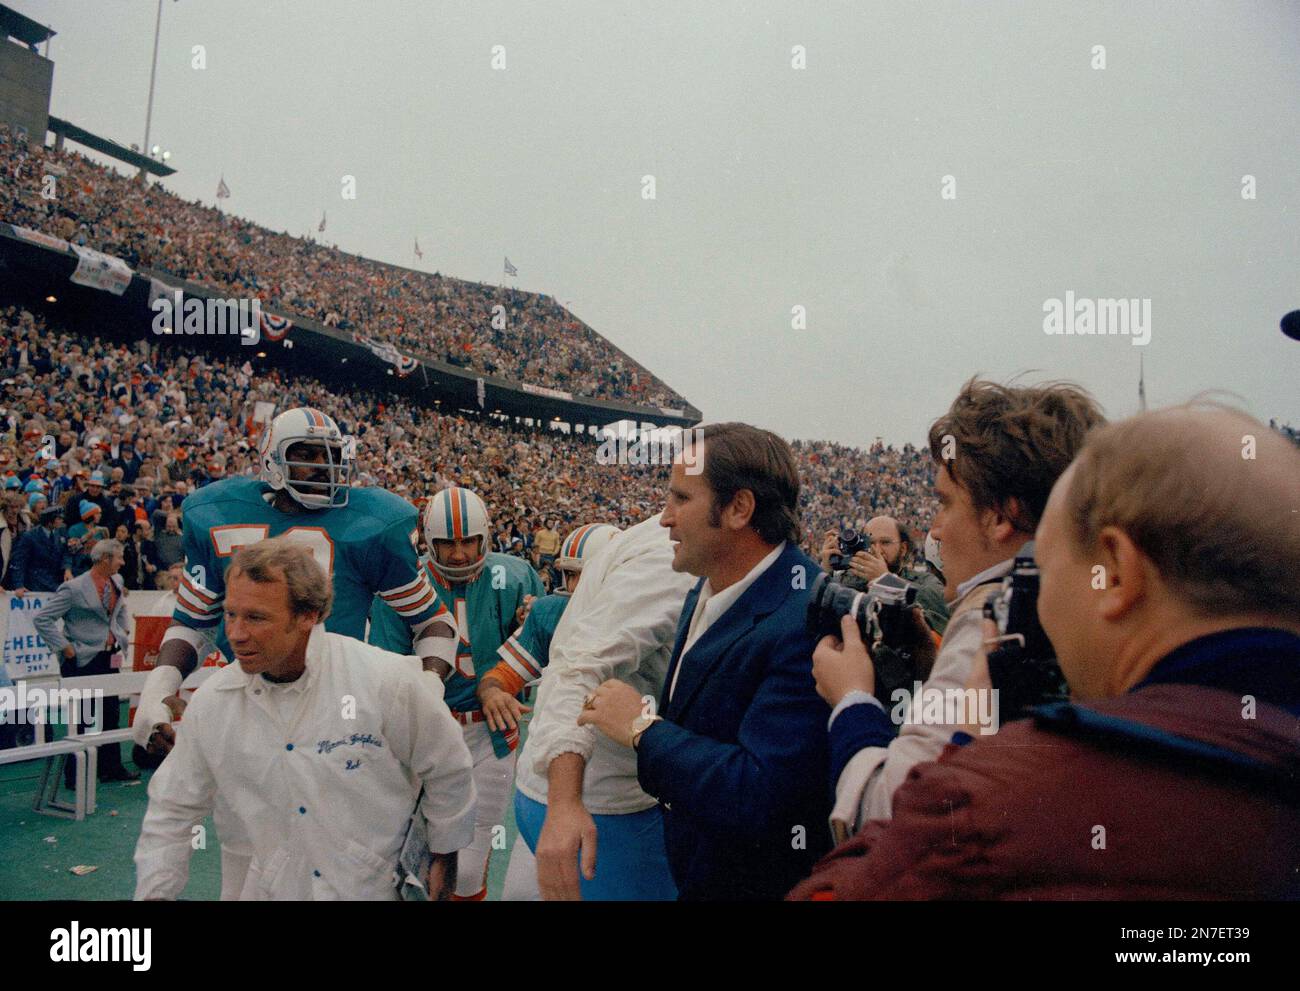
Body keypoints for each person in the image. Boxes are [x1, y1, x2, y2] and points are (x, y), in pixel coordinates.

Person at [789, 405, 1300, 899]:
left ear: (1117, 572)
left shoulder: (995, 810)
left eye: (1045, 572)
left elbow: (860, 874)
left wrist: (951, 749)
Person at [132, 407, 458, 900]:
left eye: (328, 455)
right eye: (305, 455)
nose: (321, 467)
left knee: (347, 839)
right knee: (247, 848)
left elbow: (435, 623)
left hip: (339, 697)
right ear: (271, 459)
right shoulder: (215, 511)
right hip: (247, 696)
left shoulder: (372, 522)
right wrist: (159, 687)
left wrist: (428, 686)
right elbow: (193, 621)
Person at [811, 379, 1105, 840]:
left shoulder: (998, 619)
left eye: (946, 504)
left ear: (1001, 515)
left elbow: (894, 816)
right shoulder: (1090, 603)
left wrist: (851, 700)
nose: (937, 529)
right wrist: (929, 659)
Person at [134, 538, 476, 900]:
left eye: (256, 617)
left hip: (375, 889)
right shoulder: (214, 703)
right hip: (276, 887)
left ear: (307, 616)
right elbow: (172, 811)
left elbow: (447, 767)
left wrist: (444, 855)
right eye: (231, 614)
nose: (235, 634)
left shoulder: (383, 680)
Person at [579, 422, 830, 900]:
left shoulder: (804, 618)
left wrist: (641, 730)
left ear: (738, 508)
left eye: (681, 499)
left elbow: (760, 794)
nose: (664, 518)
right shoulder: (708, 580)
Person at [368, 485, 543, 900]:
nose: (460, 554)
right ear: (428, 541)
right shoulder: (402, 583)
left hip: (489, 734)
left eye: (469, 541)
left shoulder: (515, 576)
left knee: (466, 867)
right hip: (422, 734)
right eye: (447, 544)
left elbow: (541, 652)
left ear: (486, 537)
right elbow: (389, 670)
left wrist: (509, 675)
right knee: (402, 857)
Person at [518, 512, 695, 901]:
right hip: (602, 802)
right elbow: (579, 667)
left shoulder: (652, 543)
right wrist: (566, 802)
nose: (670, 515)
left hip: (572, 788)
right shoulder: (669, 561)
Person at [484, 521, 622, 900]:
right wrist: (495, 691)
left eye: (585, 576)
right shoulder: (550, 612)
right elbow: (503, 675)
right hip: (547, 793)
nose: (575, 588)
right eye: (570, 576)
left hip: (615, 795)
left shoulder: (645, 618)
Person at [32, 539, 138, 785]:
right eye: (119, 557)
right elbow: (42, 619)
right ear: (104, 559)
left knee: (110, 713)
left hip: (108, 657)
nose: (123, 562)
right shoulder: (73, 588)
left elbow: (120, 608)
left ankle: (111, 767)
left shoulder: (117, 582)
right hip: (81, 660)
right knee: (81, 717)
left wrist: (123, 631)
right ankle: (75, 776)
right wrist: (65, 648)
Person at [8, 504, 68, 593]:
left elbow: (66, 553)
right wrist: (19, 585)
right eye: (58, 519)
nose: (61, 521)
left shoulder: (60, 532)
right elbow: (19, 561)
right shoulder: (30, 537)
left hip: (55, 582)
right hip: (36, 584)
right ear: (49, 521)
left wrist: (67, 568)